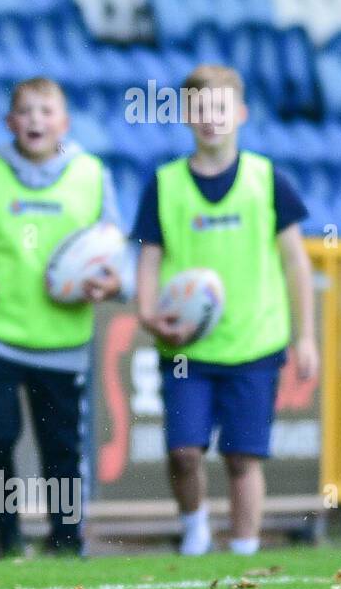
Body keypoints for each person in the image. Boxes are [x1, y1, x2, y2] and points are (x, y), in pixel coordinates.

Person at [132, 65, 317, 556]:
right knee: (184, 451)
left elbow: (296, 262)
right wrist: (148, 313)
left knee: (242, 456)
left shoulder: (268, 179)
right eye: (200, 109)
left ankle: (244, 550)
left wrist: (306, 337)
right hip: (186, 346)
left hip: (255, 342)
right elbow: (148, 257)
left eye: (221, 108)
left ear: (241, 114)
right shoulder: (165, 184)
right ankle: (194, 528)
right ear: (186, 117)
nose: (211, 119)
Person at [0, 77, 125, 558]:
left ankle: (67, 541)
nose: (35, 120)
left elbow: (117, 255)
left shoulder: (90, 174)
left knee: (62, 450)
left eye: (46, 111)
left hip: (62, 343)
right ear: (9, 122)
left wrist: (110, 284)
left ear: (64, 123)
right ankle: (7, 537)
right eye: (25, 111)